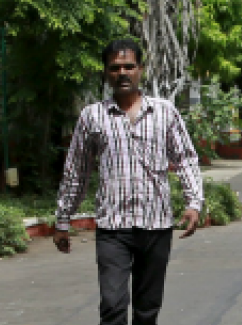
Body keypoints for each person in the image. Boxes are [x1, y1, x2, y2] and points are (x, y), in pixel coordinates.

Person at [54, 39, 204, 325]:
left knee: (147, 309)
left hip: (155, 226)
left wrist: (194, 203)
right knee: (112, 305)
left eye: (128, 66)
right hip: (113, 228)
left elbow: (185, 159)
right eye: (115, 68)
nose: (122, 73)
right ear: (106, 72)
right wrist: (63, 220)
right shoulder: (92, 116)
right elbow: (76, 171)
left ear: (140, 69)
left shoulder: (164, 112)